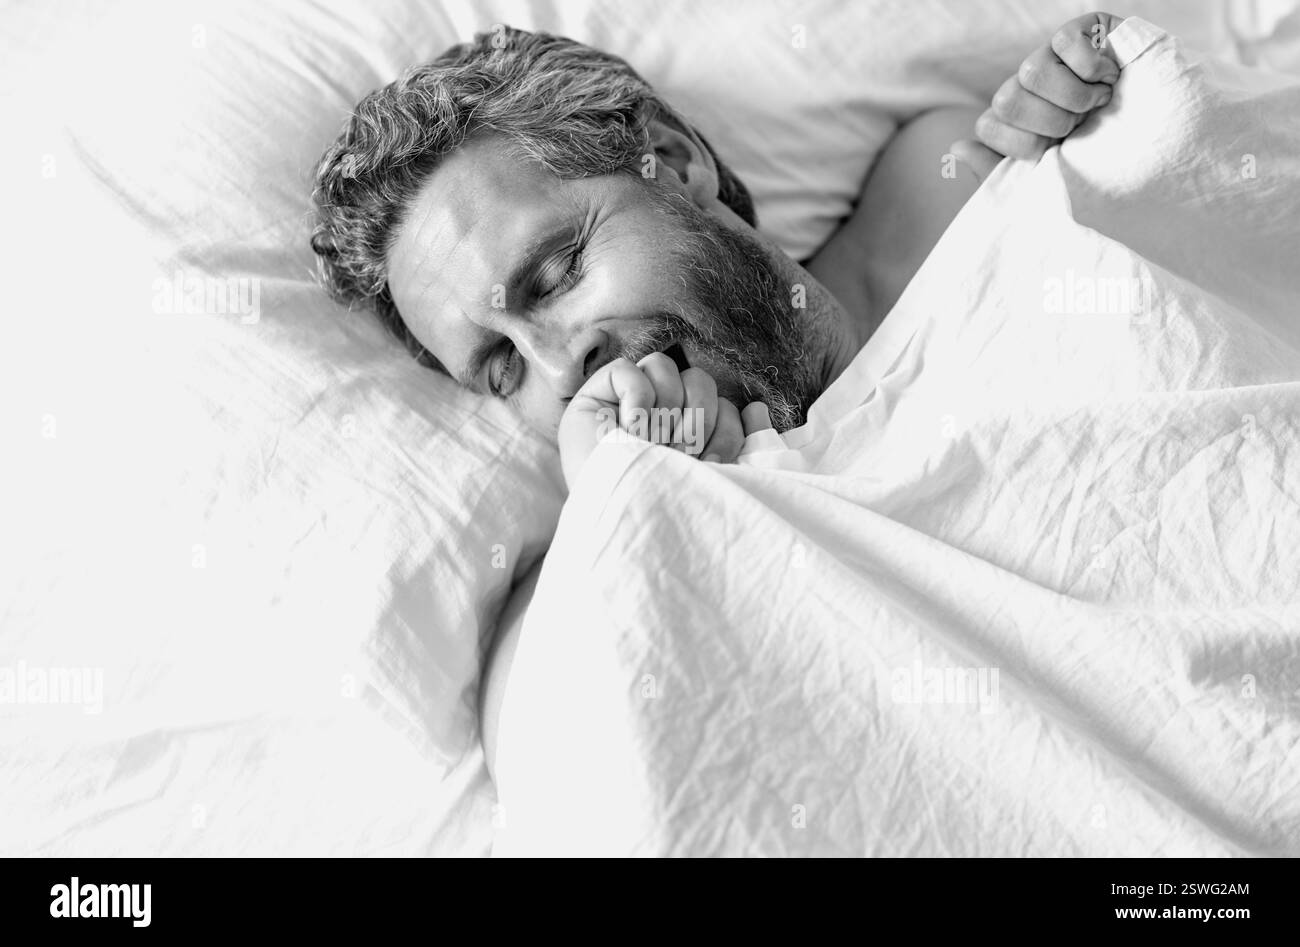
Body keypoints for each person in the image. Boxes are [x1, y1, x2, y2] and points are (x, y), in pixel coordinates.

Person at [309, 11, 1124, 767]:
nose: (559, 370)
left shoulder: (949, 187)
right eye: (501, 365)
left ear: (678, 164)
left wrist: (1100, 100)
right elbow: (565, 765)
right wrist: (632, 517)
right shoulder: (570, 596)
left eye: (557, 274)